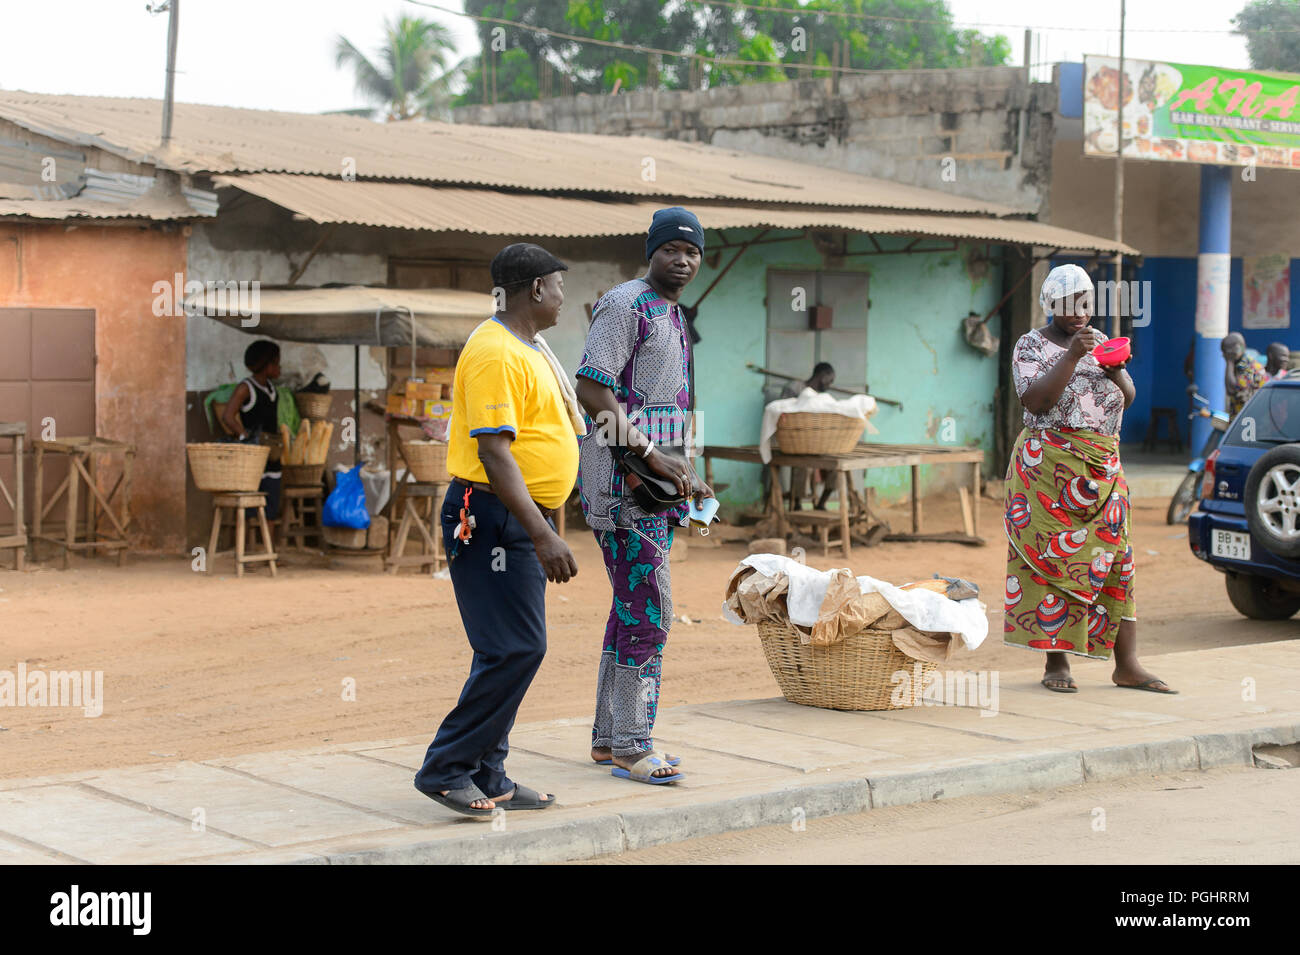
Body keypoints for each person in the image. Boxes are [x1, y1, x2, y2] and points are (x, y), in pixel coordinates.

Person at [414, 243, 581, 817]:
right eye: (559, 286)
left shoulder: (529, 347)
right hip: (489, 517)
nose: (563, 298)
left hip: (518, 519)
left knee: (514, 649)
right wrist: (542, 533)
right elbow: (494, 452)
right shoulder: (494, 352)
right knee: (513, 648)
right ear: (536, 288)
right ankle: (446, 769)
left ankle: (489, 772)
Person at [574, 207, 713, 785]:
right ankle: (634, 744)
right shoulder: (624, 304)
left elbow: (669, 407)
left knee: (629, 612)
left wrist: (688, 470)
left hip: (656, 489)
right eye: (671, 249)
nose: (682, 260)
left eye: (693, 252)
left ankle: (611, 740)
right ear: (650, 251)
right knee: (650, 613)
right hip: (624, 487)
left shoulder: (671, 313)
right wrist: (651, 457)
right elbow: (590, 389)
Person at [1005, 264, 1175, 695]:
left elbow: (1127, 398)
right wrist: (1072, 355)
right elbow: (1037, 401)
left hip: (1103, 468)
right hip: (1046, 471)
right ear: (1051, 305)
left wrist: (1116, 368)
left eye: (1084, 302)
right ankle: (1057, 661)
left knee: (1117, 560)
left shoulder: (1099, 341)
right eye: (1067, 304)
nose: (1079, 311)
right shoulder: (1030, 345)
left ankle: (1127, 665)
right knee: (1052, 562)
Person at [221, 340, 284, 527]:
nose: (280, 368)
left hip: (271, 454)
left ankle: (268, 548)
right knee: (251, 504)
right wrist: (245, 437)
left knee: (271, 503)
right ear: (267, 366)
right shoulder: (245, 388)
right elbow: (228, 417)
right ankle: (251, 546)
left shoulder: (271, 389)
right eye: (277, 363)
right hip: (253, 456)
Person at [780, 362, 837, 509]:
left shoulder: (822, 397)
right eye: (830, 380)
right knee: (802, 465)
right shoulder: (795, 388)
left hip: (815, 445)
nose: (830, 385)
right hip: (793, 442)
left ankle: (821, 504)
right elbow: (781, 414)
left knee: (836, 466)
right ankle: (797, 505)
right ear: (822, 376)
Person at [1222, 332, 1267, 417]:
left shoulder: (1250, 368)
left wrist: (1229, 361)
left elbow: (1231, 390)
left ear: (1237, 348)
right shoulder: (1238, 366)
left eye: (1225, 352)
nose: (1223, 355)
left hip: (1250, 422)